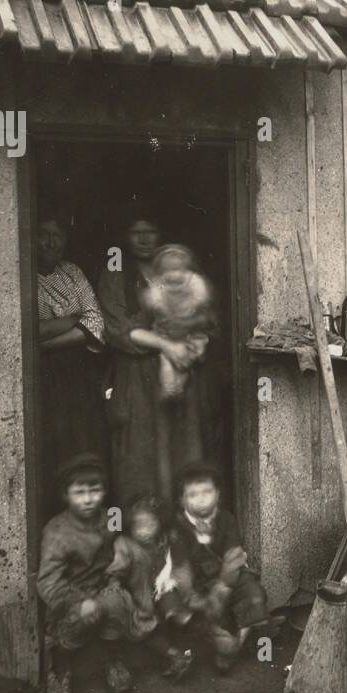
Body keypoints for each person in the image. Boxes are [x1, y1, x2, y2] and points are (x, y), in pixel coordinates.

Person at [96, 205, 228, 507]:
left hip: (186, 373)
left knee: (186, 449)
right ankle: (146, 531)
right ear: (125, 235)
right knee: (141, 459)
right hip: (137, 378)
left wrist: (199, 342)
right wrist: (167, 346)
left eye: (150, 231)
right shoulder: (116, 272)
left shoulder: (182, 270)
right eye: (136, 232)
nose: (143, 239)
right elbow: (117, 329)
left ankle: (186, 526)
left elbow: (209, 319)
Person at [36, 453, 140, 693]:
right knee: (71, 621)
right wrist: (80, 602)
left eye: (95, 490)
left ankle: (112, 656)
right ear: (65, 495)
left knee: (117, 603)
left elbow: (119, 536)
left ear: (104, 491)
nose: (88, 499)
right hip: (71, 595)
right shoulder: (57, 531)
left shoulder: (111, 515)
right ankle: (59, 668)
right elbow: (48, 581)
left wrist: (121, 557)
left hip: (103, 586)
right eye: (79, 492)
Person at [35, 212, 107, 518]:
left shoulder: (73, 273)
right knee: (51, 441)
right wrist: (74, 320)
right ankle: (56, 517)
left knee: (84, 438)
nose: (51, 242)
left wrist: (46, 340)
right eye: (44, 234)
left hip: (78, 372)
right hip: (42, 374)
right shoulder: (24, 275)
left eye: (58, 235)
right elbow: (26, 332)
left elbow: (97, 324)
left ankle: (89, 516)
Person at [173, 463, 269, 673]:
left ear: (217, 494)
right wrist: (193, 596)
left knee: (254, 593)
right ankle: (219, 639)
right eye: (192, 495)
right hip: (197, 582)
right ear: (182, 500)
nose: (201, 499)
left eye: (207, 492)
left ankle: (236, 644)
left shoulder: (226, 519)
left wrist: (223, 587)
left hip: (227, 577)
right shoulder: (178, 526)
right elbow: (180, 566)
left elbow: (233, 556)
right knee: (190, 606)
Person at [105, 494, 196, 680]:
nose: (145, 531)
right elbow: (116, 571)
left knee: (175, 617)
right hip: (138, 598)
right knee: (146, 631)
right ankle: (174, 656)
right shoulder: (124, 545)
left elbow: (171, 564)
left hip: (159, 594)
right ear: (130, 527)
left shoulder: (160, 541)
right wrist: (114, 584)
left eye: (151, 525)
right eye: (140, 527)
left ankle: (182, 653)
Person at [142, 244, 217, 401]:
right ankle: (169, 387)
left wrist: (195, 307)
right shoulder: (159, 285)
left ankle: (180, 383)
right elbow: (152, 298)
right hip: (168, 332)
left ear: (187, 270)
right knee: (165, 359)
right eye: (168, 270)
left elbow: (202, 299)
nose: (174, 275)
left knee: (193, 352)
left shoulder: (195, 283)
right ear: (161, 272)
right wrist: (159, 306)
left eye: (179, 270)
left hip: (191, 330)